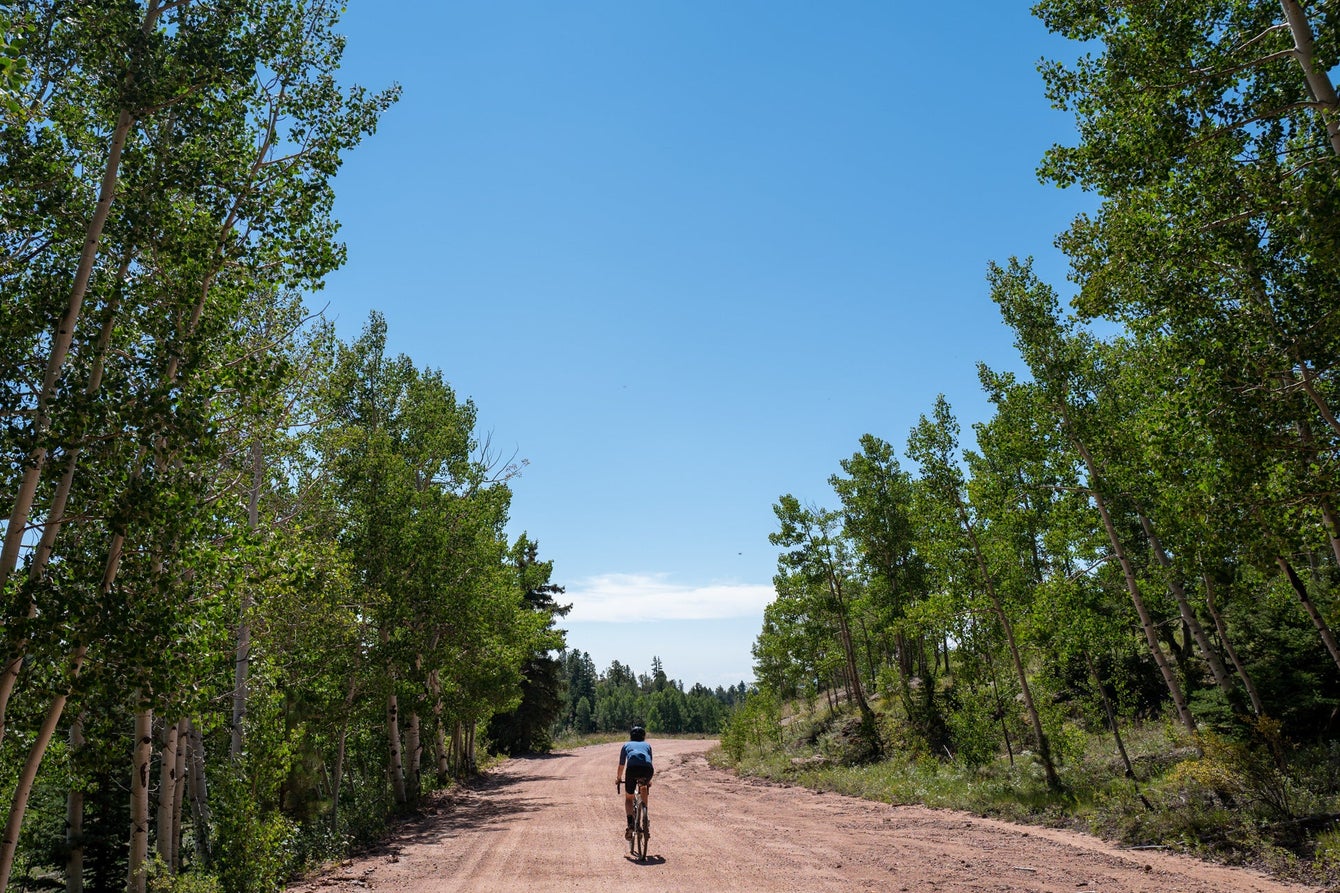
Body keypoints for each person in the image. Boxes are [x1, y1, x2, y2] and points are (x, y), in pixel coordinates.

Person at [615, 724, 653, 839]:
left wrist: (619, 778)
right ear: (643, 736)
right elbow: (649, 762)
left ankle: (630, 823)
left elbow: (621, 765)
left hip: (632, 770)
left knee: (629, 798)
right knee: (644, 787)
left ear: (631, 736)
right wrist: (649, 780)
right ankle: (644, 816)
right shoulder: (647, 745)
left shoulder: (626, 745)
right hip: (647, 770)